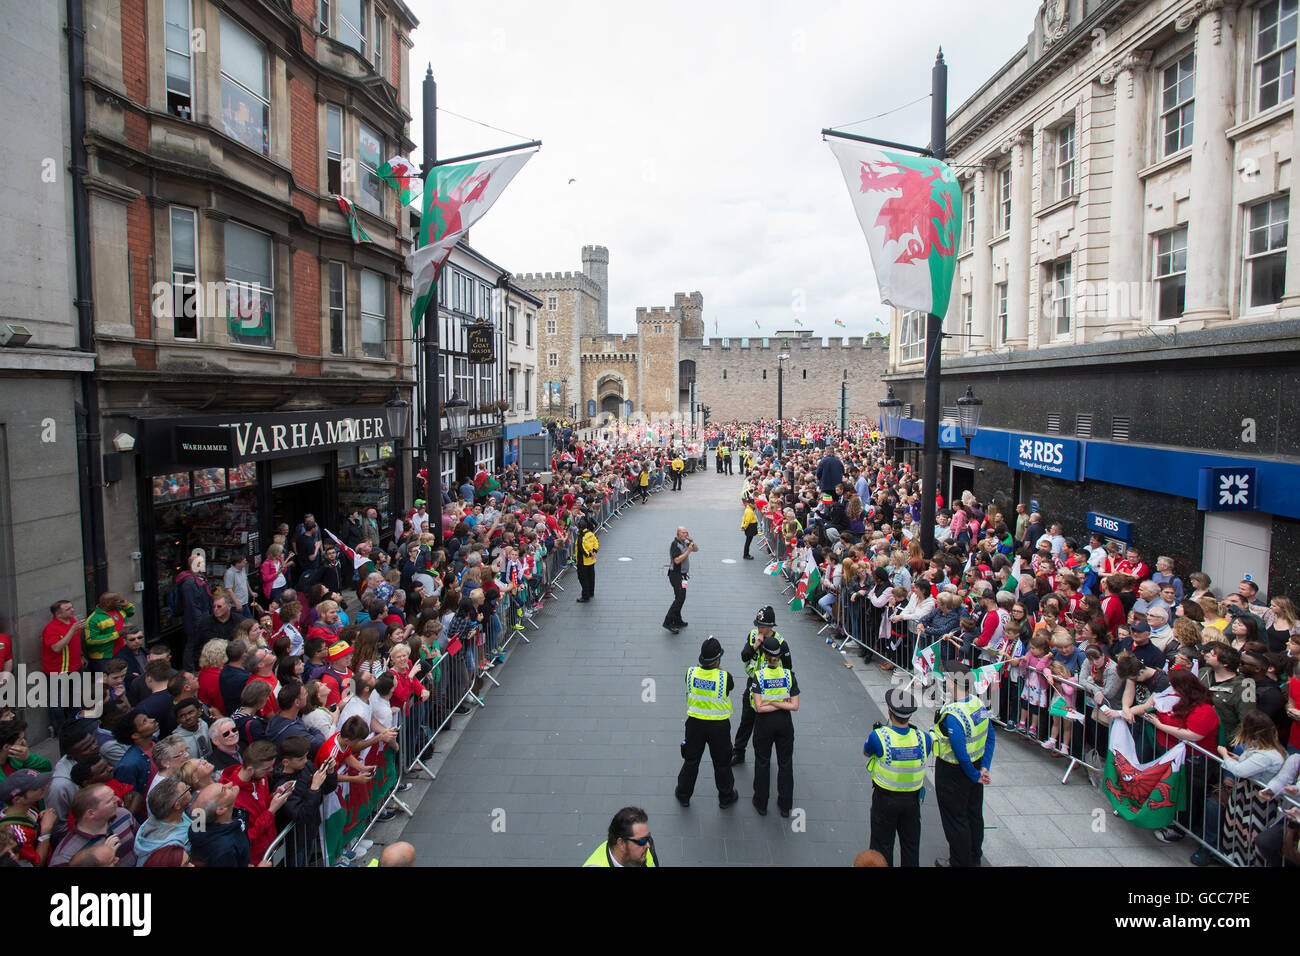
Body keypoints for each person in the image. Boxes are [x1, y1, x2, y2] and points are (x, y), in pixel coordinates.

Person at [932, 661, 994, 867]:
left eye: (947, 678)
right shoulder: (977, 704)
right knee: (974, 815)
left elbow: (960, 753)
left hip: (953, 773)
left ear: (952, 683)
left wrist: (975, 774)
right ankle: (974, 858)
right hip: (976, 767)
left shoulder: (953, 715)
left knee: (955, 820)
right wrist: (984, 767)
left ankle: (959, 862)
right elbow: (990, 738)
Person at [864, 687, 932, 867]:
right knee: (910, 846)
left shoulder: (879, 737)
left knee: (881, 845)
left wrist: (877, 732)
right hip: (912, 801)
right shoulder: (924, 738)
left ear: (889, 711)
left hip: (885, 799)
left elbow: (866, 752)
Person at [674, 638, 739, 809]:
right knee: (722, 763)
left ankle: (683, 795)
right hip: (719, 726)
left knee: (691, 760)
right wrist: (719, 669)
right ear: (718, 659)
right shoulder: (725, 677)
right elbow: (729, 687)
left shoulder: (691, 673)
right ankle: (726, 797)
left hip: (695, 724)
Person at [749, 634, 799, 817]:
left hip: (764, 724)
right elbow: (794, 706)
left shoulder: (759, 676)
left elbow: (759, 707)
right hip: (784, 722)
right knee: (785, 763)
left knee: (762, 761)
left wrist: (771, 702)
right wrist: (780, 703)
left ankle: (761, 802)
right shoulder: (789, 675)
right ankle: (785, 805)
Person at [732, 605, 789, 765]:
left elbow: (788, 669)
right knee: (746, 721)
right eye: (757, 625)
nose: (758, 628)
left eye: (761, 626)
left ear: (770, 626)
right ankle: (738, 751)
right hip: (752, 685)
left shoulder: (781, 643)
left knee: (764, 726)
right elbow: (744, 656)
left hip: (770, 690)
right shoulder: (752, 636)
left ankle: (763, 754)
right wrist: (755, 645)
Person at [0, 770, 57, 866]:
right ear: (17, 799)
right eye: (35, 788)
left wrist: (40, 819)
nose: (45, 787)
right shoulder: (15, 833)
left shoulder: (26, 808)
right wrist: (46, 831)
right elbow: (36, 864)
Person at [581, 806, 658, 867]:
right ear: (621, 843)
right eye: (642, 841)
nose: (648, 845)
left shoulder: (644, 850)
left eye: (648, 837)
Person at [663, 526, 697, 634]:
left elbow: (696, 549)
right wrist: (688, 552)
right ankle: (668, 622)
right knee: (679, 598)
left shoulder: (685, 542)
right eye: (683, 533)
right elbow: (677, 560)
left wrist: (691, 541)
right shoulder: (675, 545)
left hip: (683, 576)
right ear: (678, 534)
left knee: (681, 597)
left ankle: (677, 619)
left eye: (686, 532)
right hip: (676, 575)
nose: (685, 534)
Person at [575, 517, 599, 603]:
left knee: (583, 578)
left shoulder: (581, 535)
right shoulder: (590, 533)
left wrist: (588, 554)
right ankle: (591, 592)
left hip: (583, 561)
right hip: (591, 560)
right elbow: (596, 542)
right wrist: (594, 552)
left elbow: (581, 548)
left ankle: (585, 596)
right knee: (591, 576)